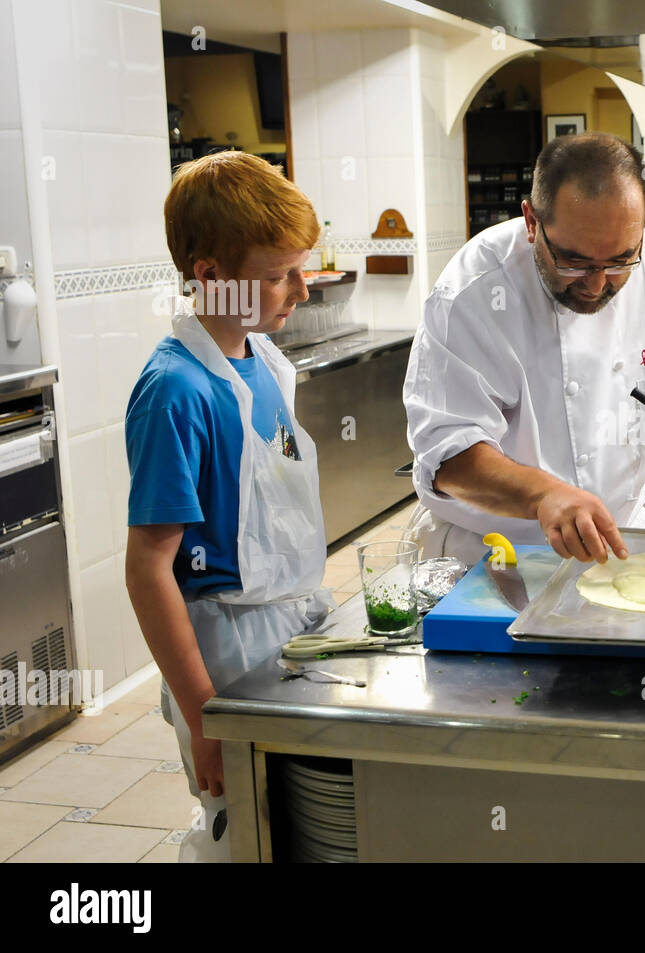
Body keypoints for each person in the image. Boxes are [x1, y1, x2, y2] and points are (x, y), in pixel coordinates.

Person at [404, 133, 645, 566]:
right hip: (497, 554)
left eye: (621, 261)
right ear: (532, 221)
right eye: (574, 262)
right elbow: (449, 456)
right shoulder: (472, 292)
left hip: (620, 538)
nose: (597, 282)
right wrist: (545, 496)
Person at [124, 152, 333, 862]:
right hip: (225, 653)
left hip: (284, 628)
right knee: (242, 834)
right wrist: (203, 712)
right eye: (279, 274)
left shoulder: (261, 362)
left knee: (295, 824)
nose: (302, 290)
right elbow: (148, 569)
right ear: (210, 276)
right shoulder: (176, 391)